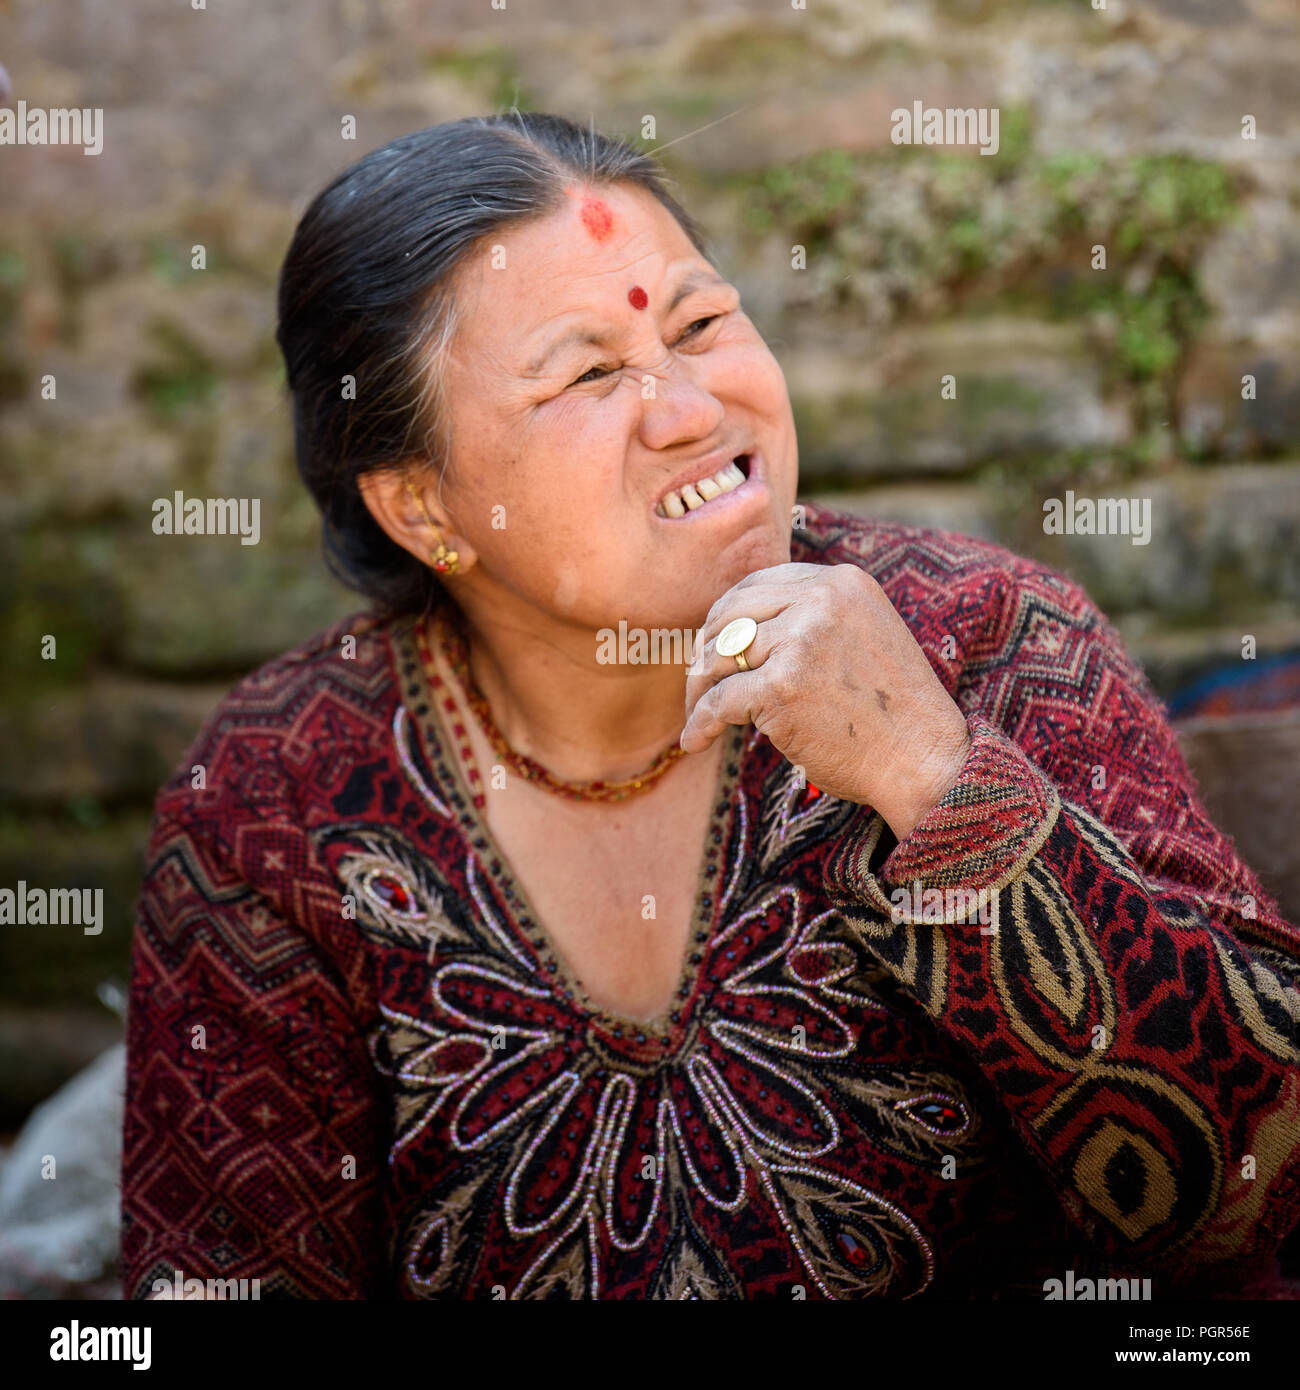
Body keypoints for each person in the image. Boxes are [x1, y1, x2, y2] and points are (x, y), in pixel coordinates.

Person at [120, 112, 1300, 1300]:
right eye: (586, 373)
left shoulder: (980, 642)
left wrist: (935, 776)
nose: (690, 408)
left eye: (699, 324)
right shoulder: (278, 796)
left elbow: (1265, 1187)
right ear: (423, 509)